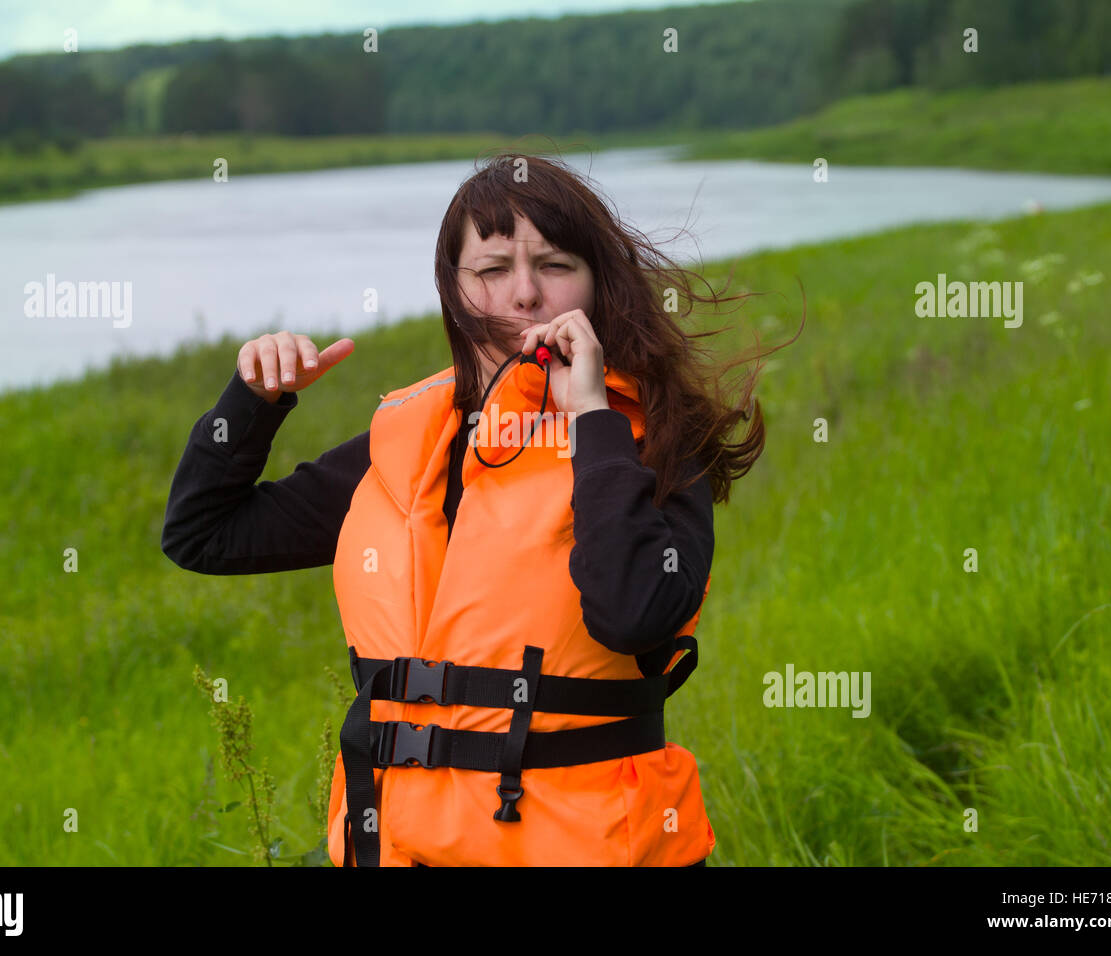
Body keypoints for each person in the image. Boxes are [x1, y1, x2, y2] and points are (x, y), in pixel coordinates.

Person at [162, 151, 773, 866]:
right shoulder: (404, 445)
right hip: (400, 846)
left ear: (597, 283)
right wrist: (252, 402)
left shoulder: (655, 440)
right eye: (490, 270)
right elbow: (202, 535)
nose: (524, 295)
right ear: (454, 292)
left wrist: (591, 423)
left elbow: (633, 611)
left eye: (553, 265)